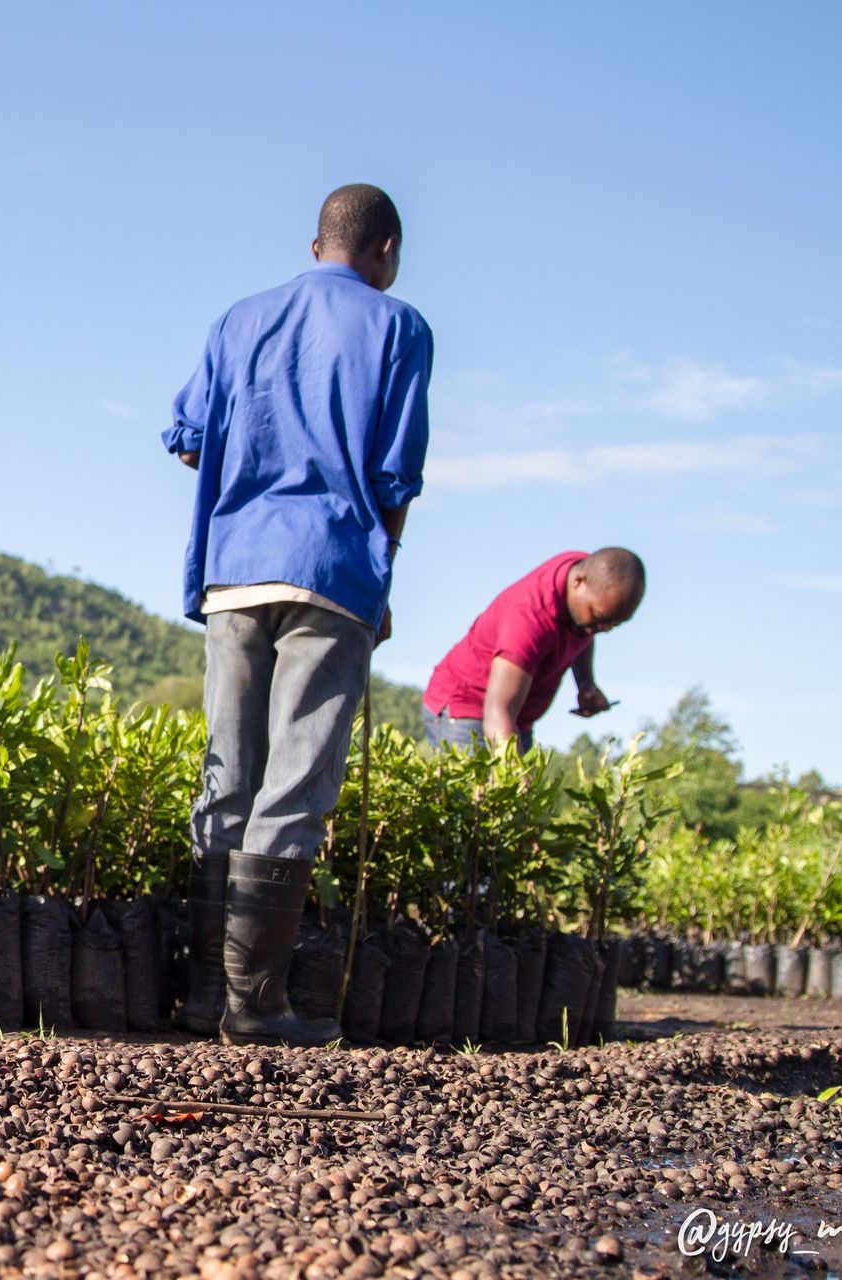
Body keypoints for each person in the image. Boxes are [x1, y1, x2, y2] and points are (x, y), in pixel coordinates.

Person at [162, 184, 433, 1046]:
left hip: (235, 570)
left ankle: (207, 997)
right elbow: (395, 474)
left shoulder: (239, 320)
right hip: (331, 571)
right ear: (385, 250)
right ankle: (255, 1005)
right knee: (295, 783)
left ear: (316, 246)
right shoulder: (399, 327)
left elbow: (188, 438)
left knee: (228, 774)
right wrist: (379, 581)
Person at [423, 548, 645, 753]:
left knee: (517, 779)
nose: (604, 629)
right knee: (503, 781)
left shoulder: (591, 576)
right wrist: (517, 773)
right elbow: (498, 711)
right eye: (598, 618)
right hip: (470, 711)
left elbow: (583, 632)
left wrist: (586, 683)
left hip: (517, 719)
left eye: (615, 623)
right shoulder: (529, 619)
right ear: (579, 582)